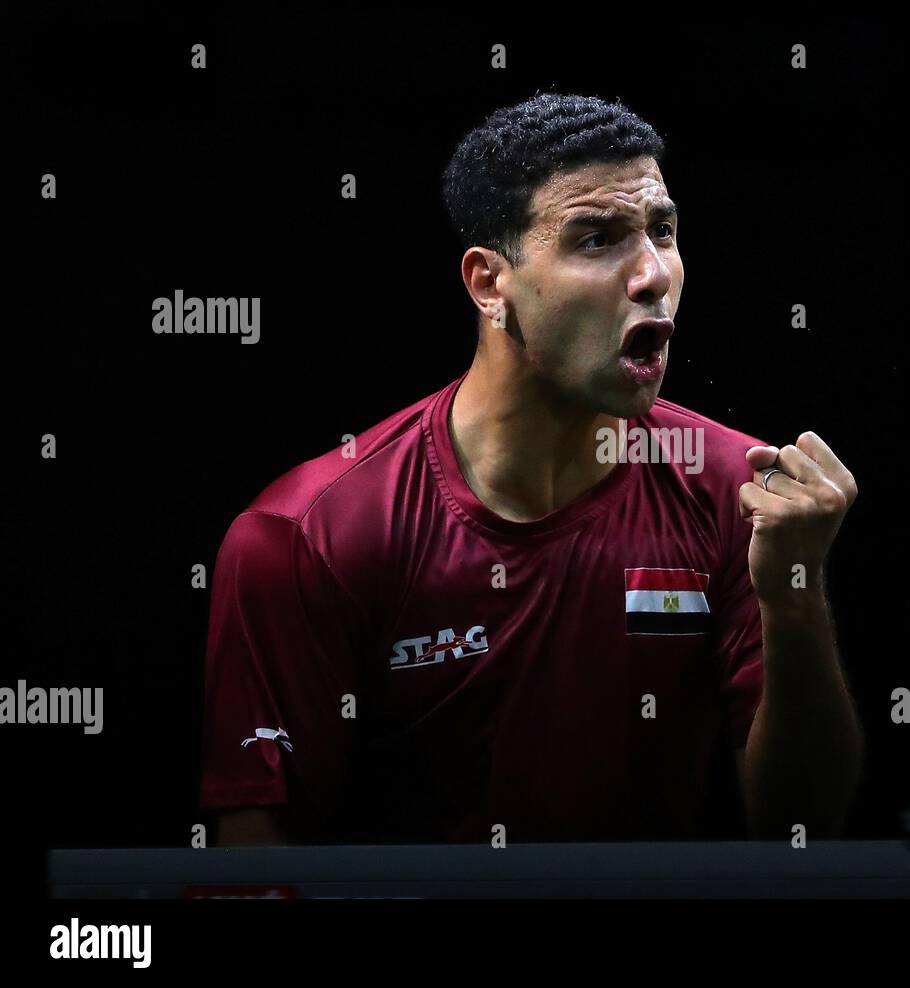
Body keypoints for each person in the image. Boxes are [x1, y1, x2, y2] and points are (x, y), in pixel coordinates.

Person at [199, 93, 863, 846]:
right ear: (489, 285)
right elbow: (254, 869)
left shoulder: (738, 492)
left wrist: (795, 599)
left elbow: (802, 828)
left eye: (665, 232)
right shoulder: (307, 536)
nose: (653, 275)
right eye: (596, 238)